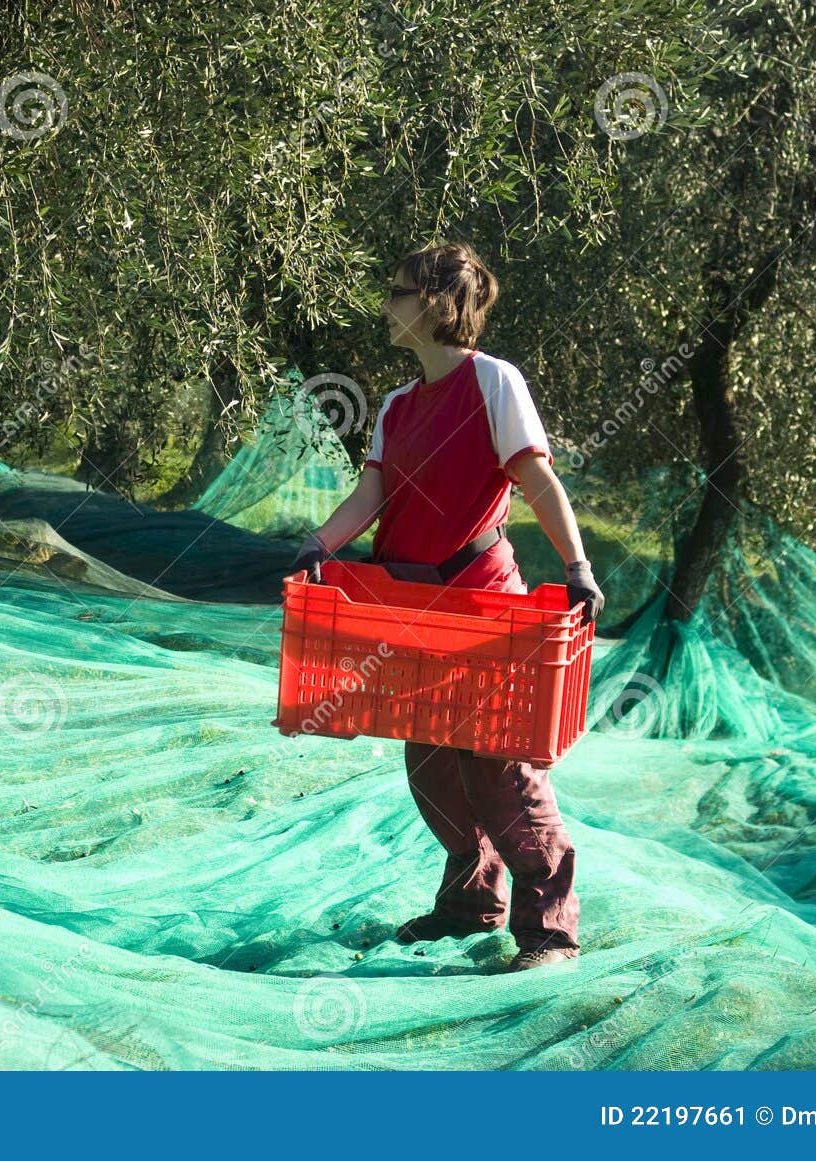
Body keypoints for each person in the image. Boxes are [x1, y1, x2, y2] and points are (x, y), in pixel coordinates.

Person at [289, 241, 604, 973]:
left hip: (482, 606)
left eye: (396, 292)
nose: (385, 305)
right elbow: (373, 493)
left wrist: (578, 566)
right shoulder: (397, 405)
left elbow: (537, 481)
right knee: (429, 763)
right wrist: (318, 543)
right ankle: (468, 906)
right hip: (409, 606)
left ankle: (549, 933)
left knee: (498, 766)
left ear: (435, 303)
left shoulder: (494, 381)